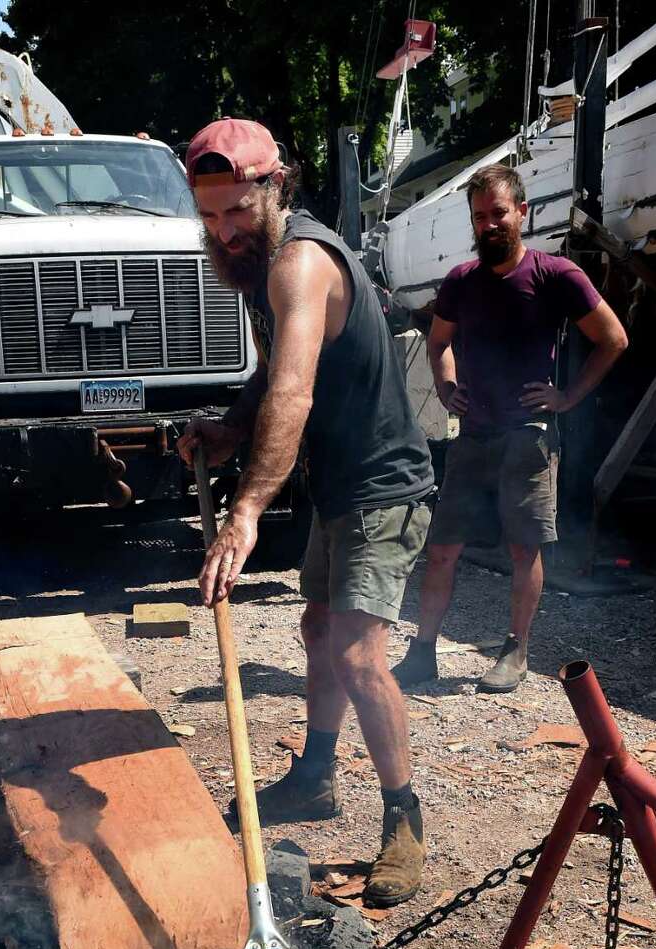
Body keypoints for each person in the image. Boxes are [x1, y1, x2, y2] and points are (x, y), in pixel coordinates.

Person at [177, 118, 436, 907]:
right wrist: (231, 427)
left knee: (357, 653)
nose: (225, 231)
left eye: (237, 211)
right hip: (337, 485)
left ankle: (404, 819)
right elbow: (271, 372)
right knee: (319, 628)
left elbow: (294, 391)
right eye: (210, 216)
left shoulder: (300, 263)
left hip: (382, 486)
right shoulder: (264, 265)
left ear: (276, 185)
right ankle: (317, 777)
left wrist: (248, 508)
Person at [392, 164, 628, 695]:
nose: (490, 224)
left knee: (524, 549)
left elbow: (613, 338)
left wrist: (567, 396)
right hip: (473, 435)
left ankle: (515, 651)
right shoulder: (461, 282)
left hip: (529, 436)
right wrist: (446, 386)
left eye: (499, 213)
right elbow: (438, 342)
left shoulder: (555, 274)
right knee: (442, 548)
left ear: (523, 212)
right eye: (480, 216)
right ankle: (422, 651)